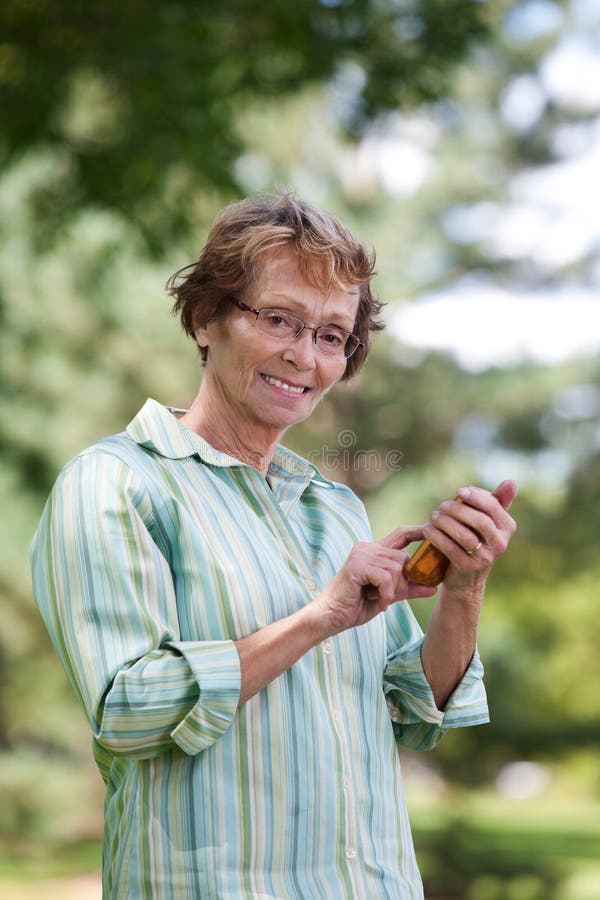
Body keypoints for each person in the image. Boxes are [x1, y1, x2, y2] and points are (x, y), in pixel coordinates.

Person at [30, 193, 517, 900]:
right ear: (206, 317)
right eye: (279, 319)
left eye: (332, 336)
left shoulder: (335, 508)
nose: (304, 356)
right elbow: (128, 712)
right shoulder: (116, 483)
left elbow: (415, 710)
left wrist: (465, 586)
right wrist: (320, 616)